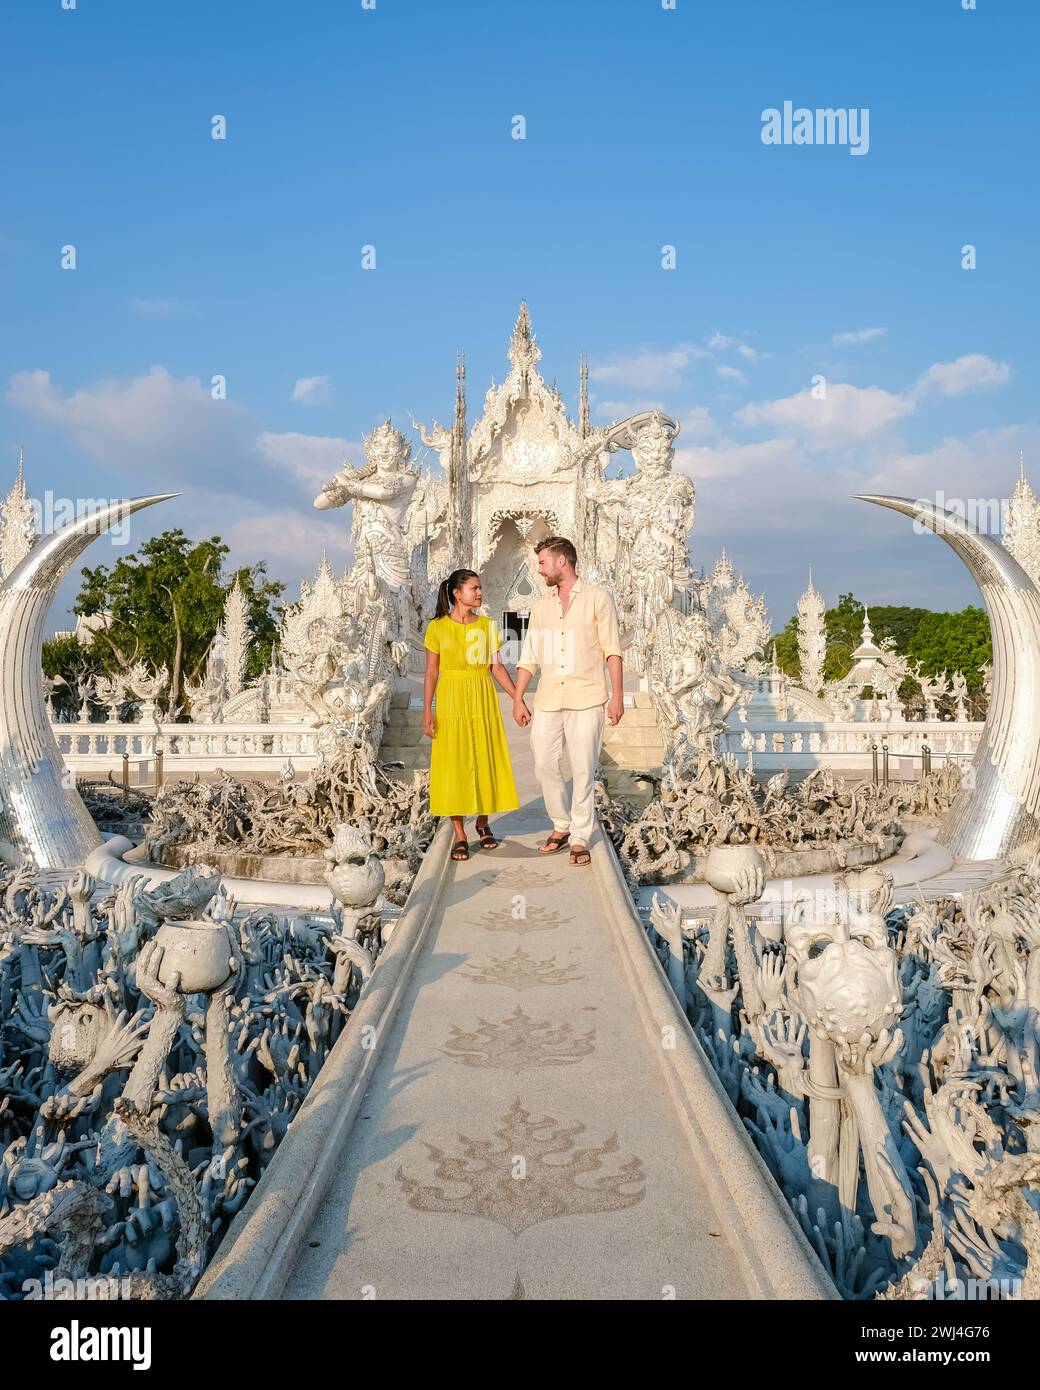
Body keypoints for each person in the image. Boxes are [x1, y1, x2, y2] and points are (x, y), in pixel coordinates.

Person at [512, 537, 624, 867]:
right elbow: (529, 655)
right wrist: (518, 697)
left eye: (543, 562)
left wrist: (616, 696)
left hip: (588, 697)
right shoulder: (540, 605)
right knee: (544, 763)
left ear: (562, 561)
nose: (539, 569)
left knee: (583, 768)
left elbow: (612, 650)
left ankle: (578, 837)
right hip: (549, 697)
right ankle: (560, 824)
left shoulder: (597, 598)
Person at [422, 569, 520, 861]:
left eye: (480, 588)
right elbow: (431, 672)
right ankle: (460, 833)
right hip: (450, 697)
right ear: (457, 592)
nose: (479, 593)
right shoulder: (437, 628)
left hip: (482, 695)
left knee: (484, 756)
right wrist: (428, 709)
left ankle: (482, 821)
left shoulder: (488, 626)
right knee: (454, 762)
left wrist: (518, 698)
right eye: (474, 588)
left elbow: (497, 668)